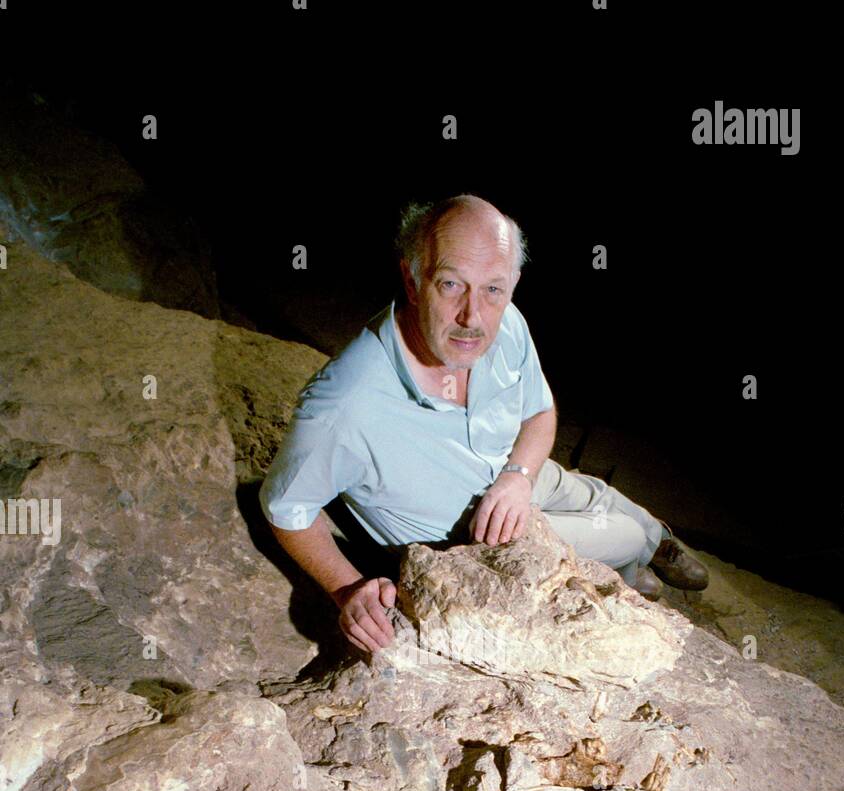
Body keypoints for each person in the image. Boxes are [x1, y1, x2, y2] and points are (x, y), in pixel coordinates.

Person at [260, 193, 708, 655]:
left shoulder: (507, 322)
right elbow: (285, 506)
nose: (472, 317)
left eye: (493, 289)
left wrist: (518, 476)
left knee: (595, 494)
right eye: (451, 284)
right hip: (479, 538)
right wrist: (345, 588)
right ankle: (630, 571)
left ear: (511, 284)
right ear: (412, 282)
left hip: (515, 469)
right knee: (622, 535)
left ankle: (659, 544)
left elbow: (539, 413)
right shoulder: (345, 403)